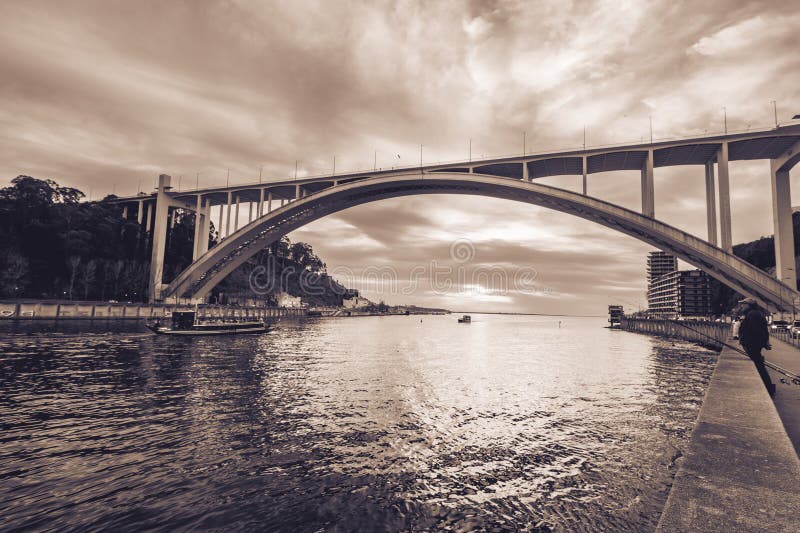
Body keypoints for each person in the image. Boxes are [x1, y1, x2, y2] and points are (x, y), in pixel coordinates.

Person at [737, 298, 776, 396]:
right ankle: (769, 387)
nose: (741, 306)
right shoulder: (755, 313)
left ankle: (769, 388)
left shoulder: (752, 315)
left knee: (759, 366)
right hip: (754, 344)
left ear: (749, 305)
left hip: (752, 345)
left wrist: (747, 342)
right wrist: (765, 342)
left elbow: (755, 331)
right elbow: (763, 330)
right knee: (759, 365)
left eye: (743, 304)